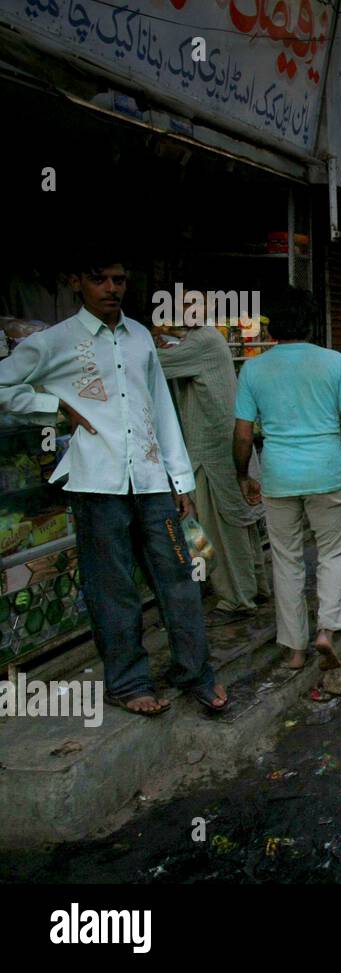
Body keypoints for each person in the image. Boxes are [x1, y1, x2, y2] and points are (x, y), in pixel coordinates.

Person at [0, 254, 227, 714]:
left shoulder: (141, 337)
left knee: (180, 577)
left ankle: (194, 673)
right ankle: (128, 684)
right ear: (77, 281)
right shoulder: (55, 341)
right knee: (113, 587)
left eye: (118, 279)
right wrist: (54, 409)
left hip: (150, 481)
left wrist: (180, 479)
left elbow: (162, 409)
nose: (111, 288)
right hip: (96, 484)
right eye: (98, 278)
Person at [234, 289, 341, 672]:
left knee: (286, 560)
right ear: (311, 323)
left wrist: (244, 475)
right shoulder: (333, 362)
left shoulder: (254, 368)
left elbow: (243, 434)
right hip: (325, 471)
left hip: (277, 473)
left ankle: (294, 649)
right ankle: (327, 629)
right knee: (332, 551)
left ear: (272, 326)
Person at [154, 318, 269, 625]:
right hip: (225, 450)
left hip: (213, 454)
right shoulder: (204, 339)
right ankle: (255, 588)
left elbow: (151, 364)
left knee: (215, 530)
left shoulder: (202, 342)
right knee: (239, 526)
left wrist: (151, 337)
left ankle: (235, 598)